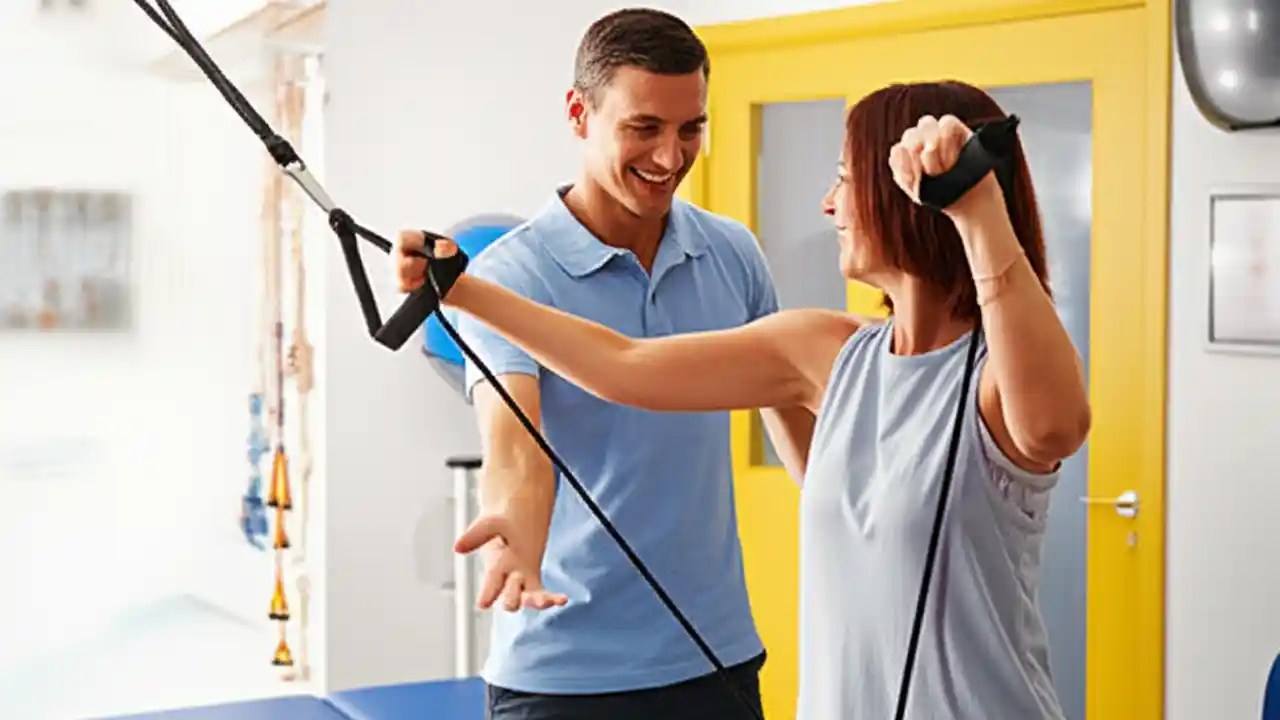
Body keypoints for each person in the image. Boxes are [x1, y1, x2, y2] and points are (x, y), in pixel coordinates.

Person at [402, 80, 1090, 719]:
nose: (828, 205)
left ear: (908, 196)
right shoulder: (825, 351)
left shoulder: (996, 376)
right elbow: (622, 365)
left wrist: (978, 210)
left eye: (845, 181)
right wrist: (463, 289)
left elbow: (1055, 426)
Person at [394, 8, 815, 719]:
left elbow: (796, 426)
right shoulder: (509, 277)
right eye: (643, 128)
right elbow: (515, 447)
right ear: (578, 114)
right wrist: (517, 536)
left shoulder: (733, 253)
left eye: (691, 129)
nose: (670, 156)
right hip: (563, 675)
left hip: (716, 654)